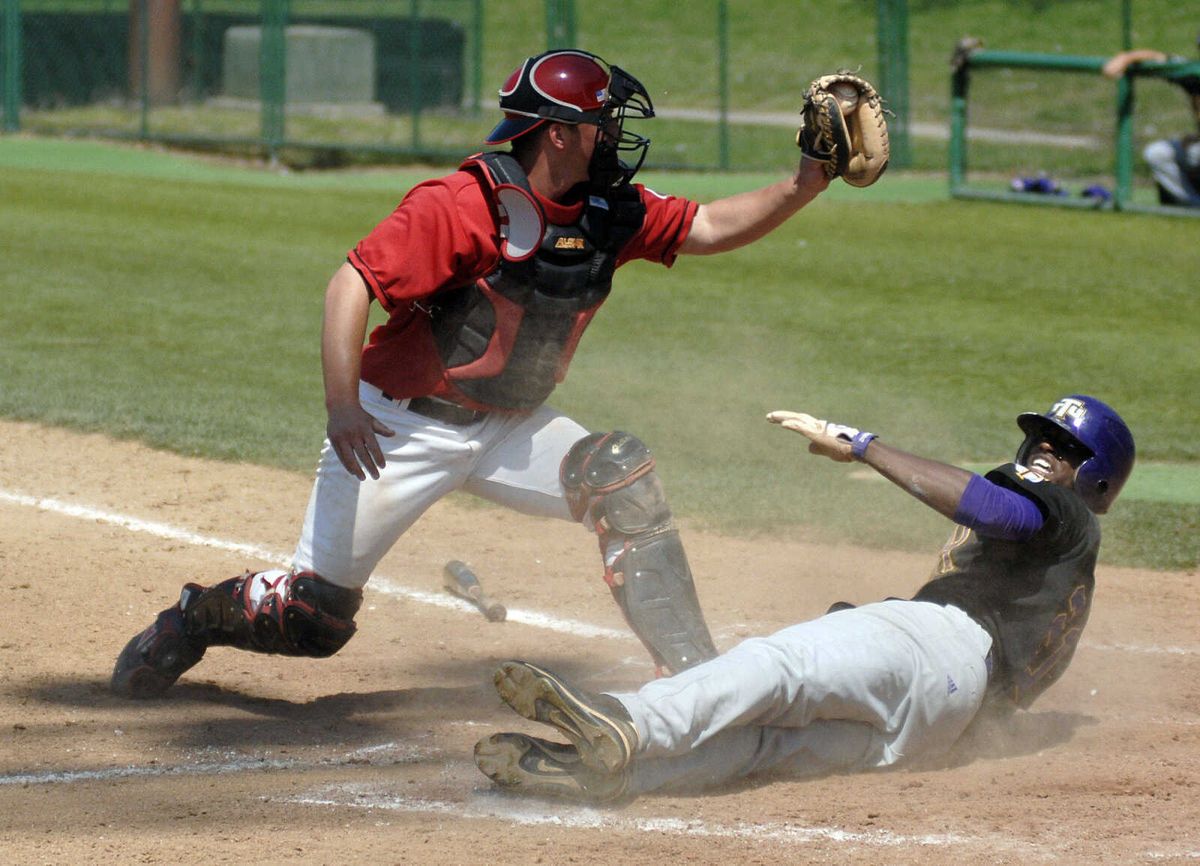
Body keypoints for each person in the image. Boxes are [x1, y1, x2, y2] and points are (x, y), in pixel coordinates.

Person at [110, 48, 840, 698]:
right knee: (313, 617)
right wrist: (342, 407)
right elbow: (350, 285)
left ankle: (693, 683)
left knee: (620, 474)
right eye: (600, 122)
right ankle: (194, 617)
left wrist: (806, 182)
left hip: (510, 426)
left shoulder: (607, 209)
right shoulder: (461, 205)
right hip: (398, 427)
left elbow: (707, 226)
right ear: (558, 132)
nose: (612, 135)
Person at [473, 394, 1136, 802]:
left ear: (1096, 480)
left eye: (1068, 448)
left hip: (940, 645)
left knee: (779, 669)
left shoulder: (1066, 516)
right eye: (1043, 437)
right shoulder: (1065, 578)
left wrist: (863, 447)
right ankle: (610, 777)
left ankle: (634, 723)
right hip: (940, 727)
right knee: (762, 746)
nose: (1046, 449)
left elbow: (992, 509)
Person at [1103, 40, 1200, 206]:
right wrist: (1126, 58)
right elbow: (1160, 58)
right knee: (1158, 153)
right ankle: (1193, 205)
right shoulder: (1192, 72)